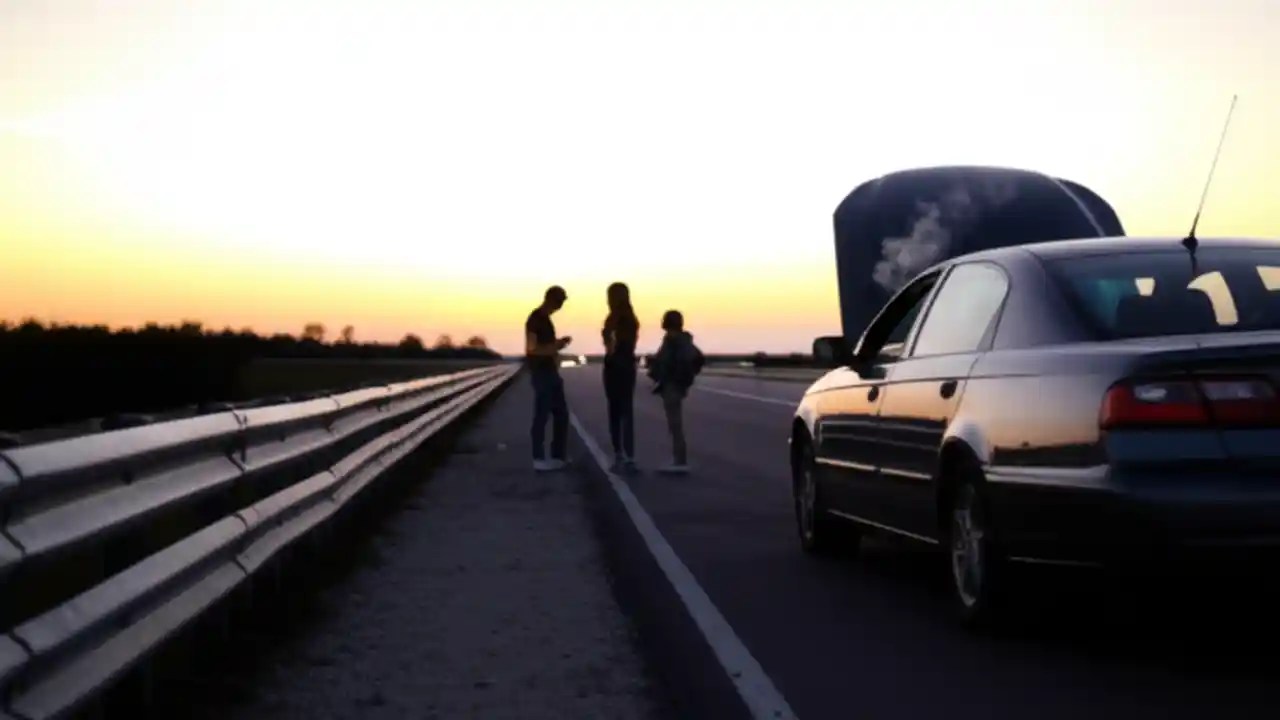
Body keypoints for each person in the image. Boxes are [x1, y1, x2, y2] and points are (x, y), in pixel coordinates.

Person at [646, 309, 704, 474]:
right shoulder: (683, 340)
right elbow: (697, 359)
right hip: (676, 385)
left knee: (675, 424)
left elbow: (670, 361)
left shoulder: (673, 340)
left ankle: (680, 460)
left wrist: (672, 376)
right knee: (674, 424)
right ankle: (679, 458)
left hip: (673, 385)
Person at [526, 285, 572, 471]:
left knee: (561, 415)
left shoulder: (545, 320)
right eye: (559, 302)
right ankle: (538, 457)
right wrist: (557, 346)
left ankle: (557, 456)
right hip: (541, 372)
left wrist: (556, 347)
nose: (560, 307)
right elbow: (532, 348)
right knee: (542, 415)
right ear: (552, 300)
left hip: (550, 372)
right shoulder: (535, 319)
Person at [601, 282, 640, 472]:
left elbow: (611, 343)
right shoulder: (632, 318)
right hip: (628, 366)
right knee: (627, 411)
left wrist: (610, 347)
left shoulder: (614, 318)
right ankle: (630, 456)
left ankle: (619, 455)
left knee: (615, 413)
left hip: (615, 366)